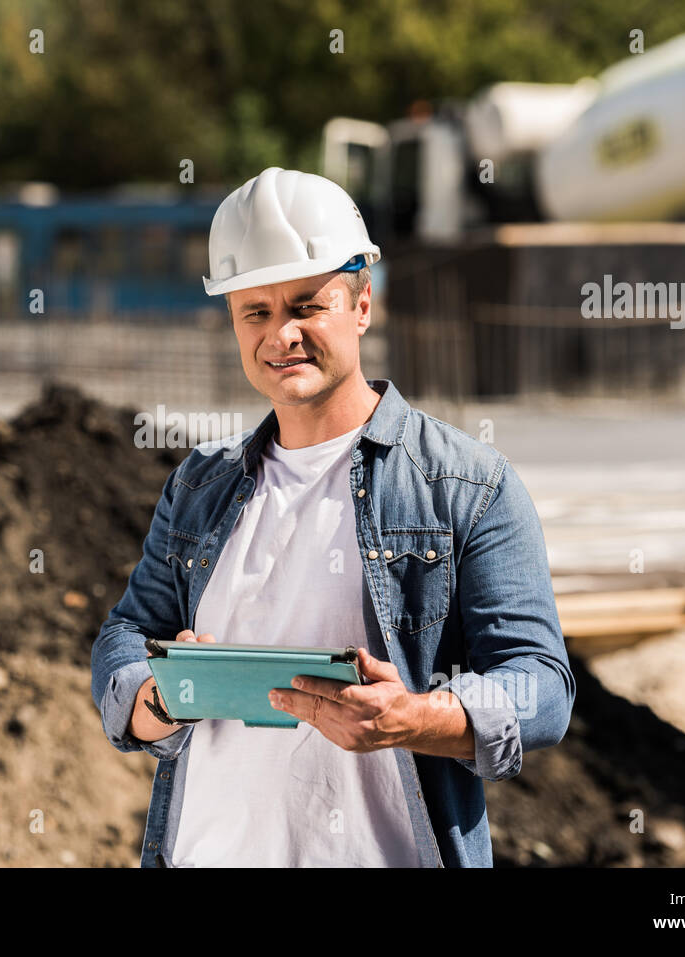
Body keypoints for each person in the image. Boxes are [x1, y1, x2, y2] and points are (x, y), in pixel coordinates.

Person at [91, 167, 575, 868]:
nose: (280, 333)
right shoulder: (199, 485)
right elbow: (126, 633)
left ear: (361, 303)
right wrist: (159, 700)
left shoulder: (468, 486)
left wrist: (413, 716)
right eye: (254, 310)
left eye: (305, 305)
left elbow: (540, 687)